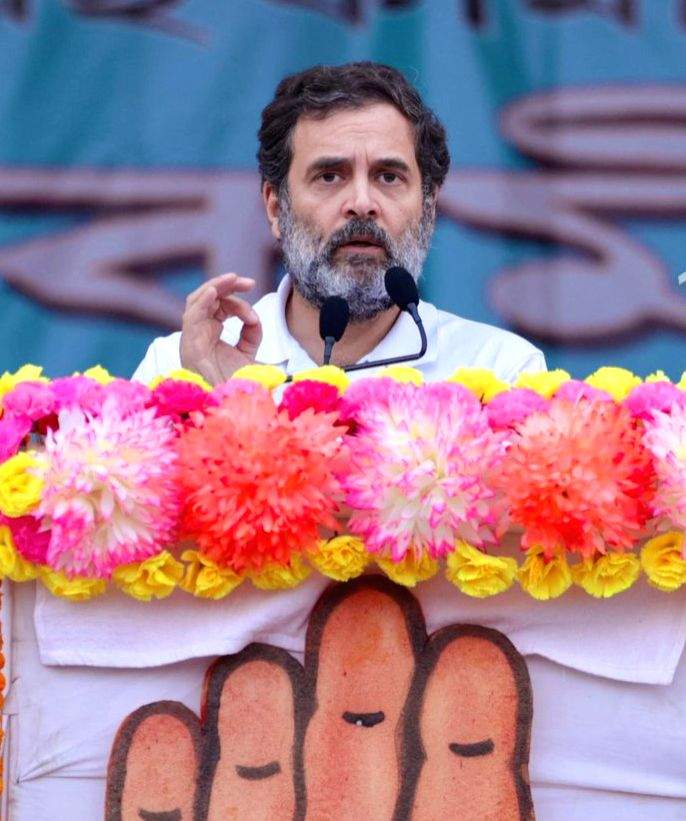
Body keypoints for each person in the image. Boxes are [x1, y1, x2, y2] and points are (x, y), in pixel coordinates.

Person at [133, 62, 545, 385]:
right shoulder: (180, 367)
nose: (362, 203)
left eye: (389, 176)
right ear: (276, 208)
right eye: (330, 176)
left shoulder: (500, 374)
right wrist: (219, 408)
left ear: (429, 207)